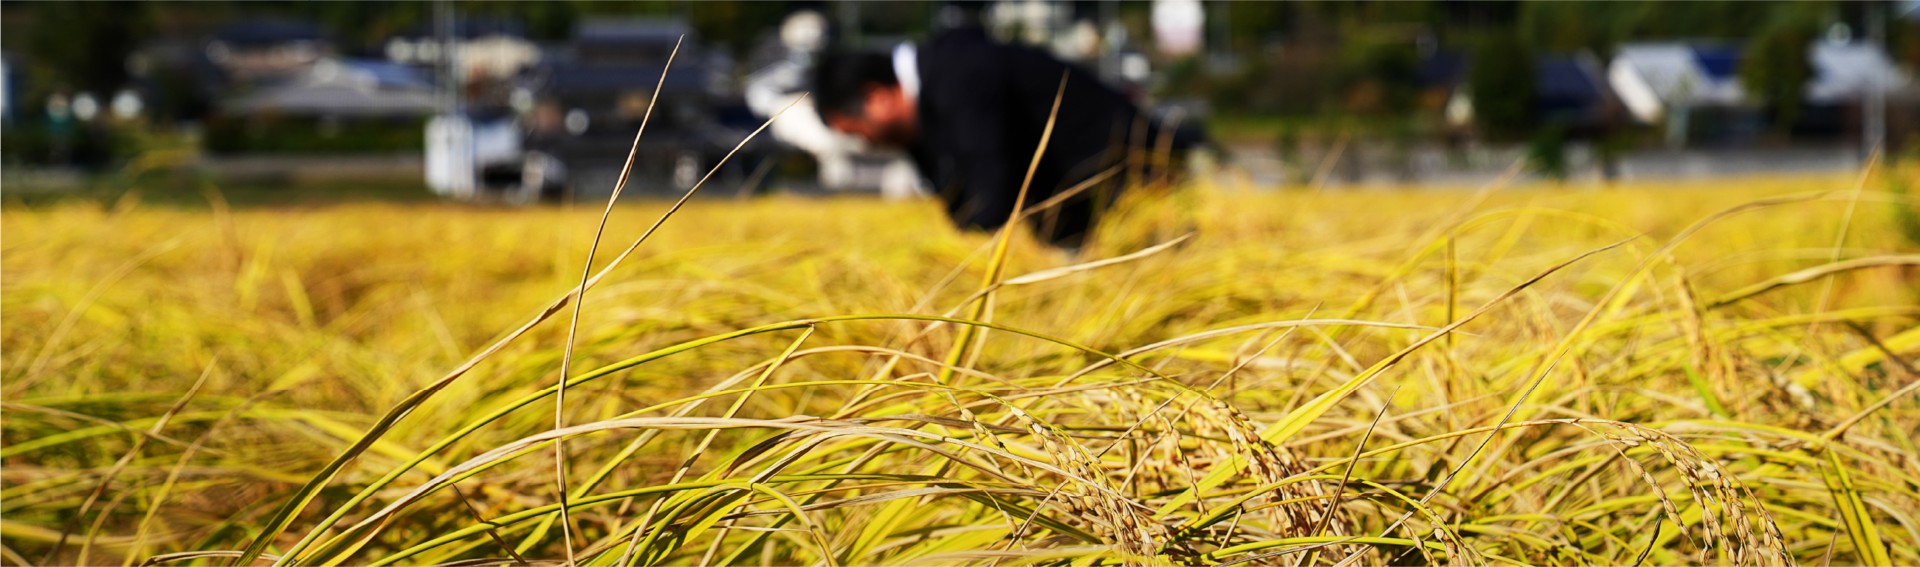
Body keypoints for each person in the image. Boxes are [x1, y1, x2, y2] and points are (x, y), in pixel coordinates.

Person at [811, 20, 1200, 248]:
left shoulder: (957, 72)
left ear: (876, 98)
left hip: (1144, 185)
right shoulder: (935, 85)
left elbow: (988, 185)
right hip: (1089, 205)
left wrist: (961, 268)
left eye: (857, 131)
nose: (865, 142)